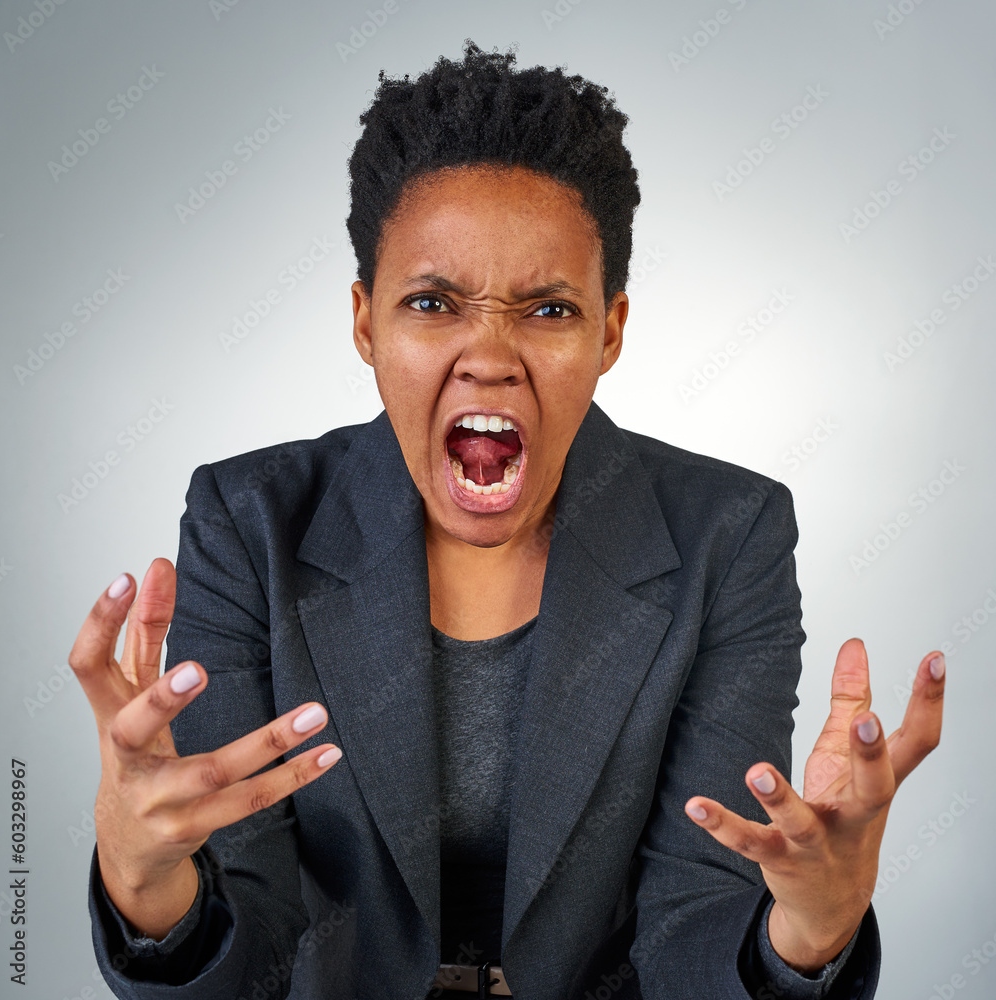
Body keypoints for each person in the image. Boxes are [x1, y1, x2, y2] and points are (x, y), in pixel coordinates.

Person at [72, 40, 944, 1000]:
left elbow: (697, 928)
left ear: (610, 329)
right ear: (366, 322)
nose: (489, 355)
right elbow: (249, 942)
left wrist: (809, 934)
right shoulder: (248, 523)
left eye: (548, 309)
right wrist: (146, 882)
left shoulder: (727, 537)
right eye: (433, 302)